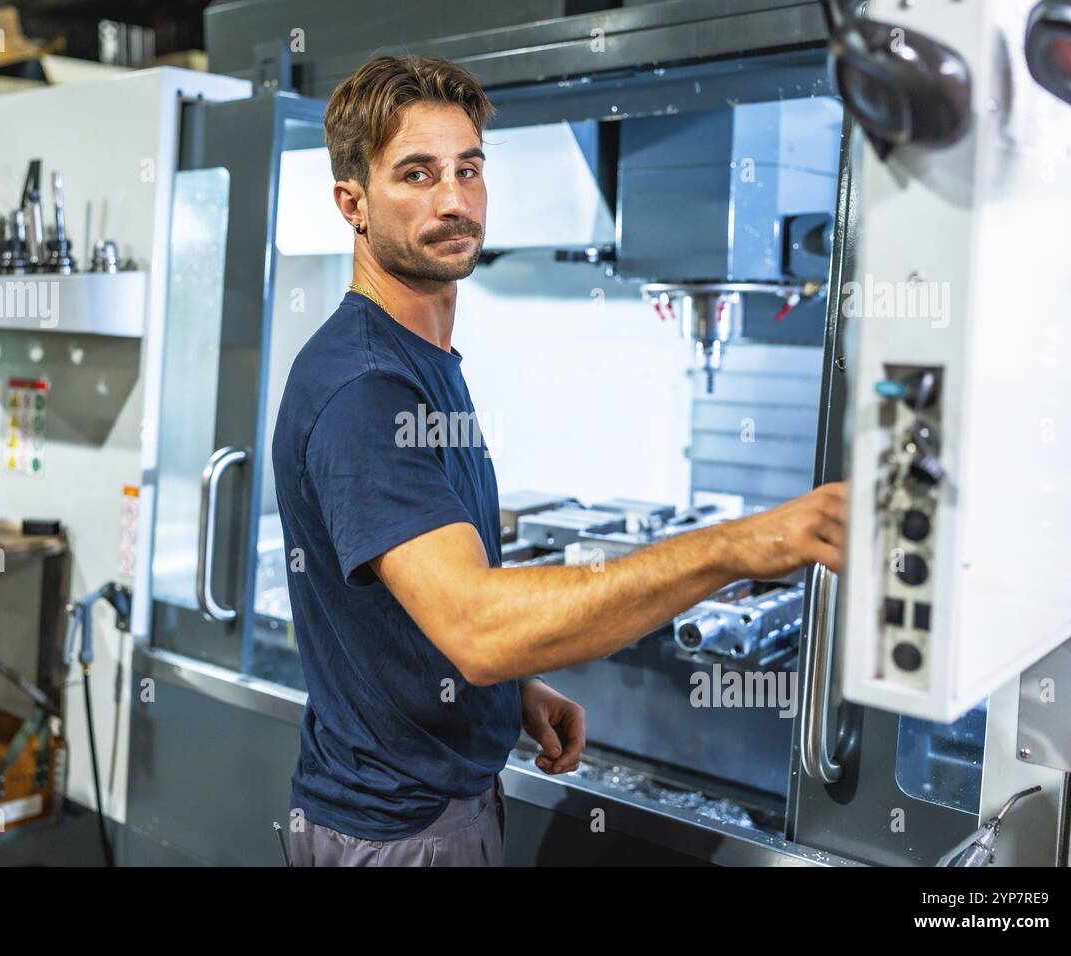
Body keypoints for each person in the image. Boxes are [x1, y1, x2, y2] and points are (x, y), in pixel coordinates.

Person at [272, 54, 847, 866]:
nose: (452, 199)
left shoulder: (421, 359)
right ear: (352, 204)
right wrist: (737, 546)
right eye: (416, 174)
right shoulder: (366, 388)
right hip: (397, 831)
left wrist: (505, 698)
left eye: (468, 169)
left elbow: (423, 623)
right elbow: (475, 626)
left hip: (433, 797)